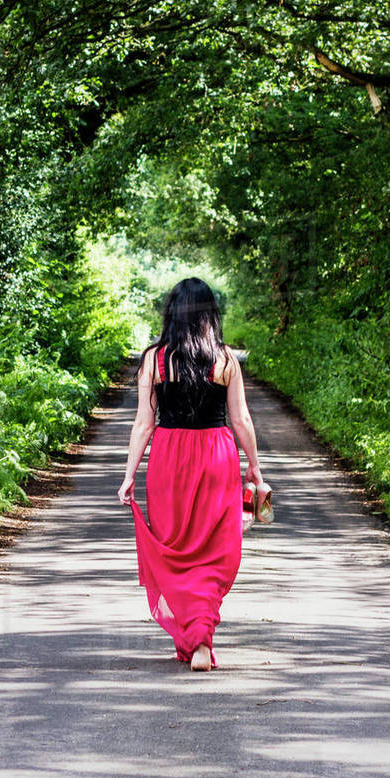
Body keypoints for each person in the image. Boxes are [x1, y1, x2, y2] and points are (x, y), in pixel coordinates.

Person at [117, 277, 268, 671]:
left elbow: (143, 424)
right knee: (216, 548)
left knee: (175, 547)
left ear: (172, 313)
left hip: (169, 458)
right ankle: (199, 638)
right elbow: (241, 419)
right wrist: (254, 466)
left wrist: (129, 473)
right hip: (216, 456)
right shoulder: (225, 359)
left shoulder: (155, 359)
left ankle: (194, 636)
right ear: (209, 314)